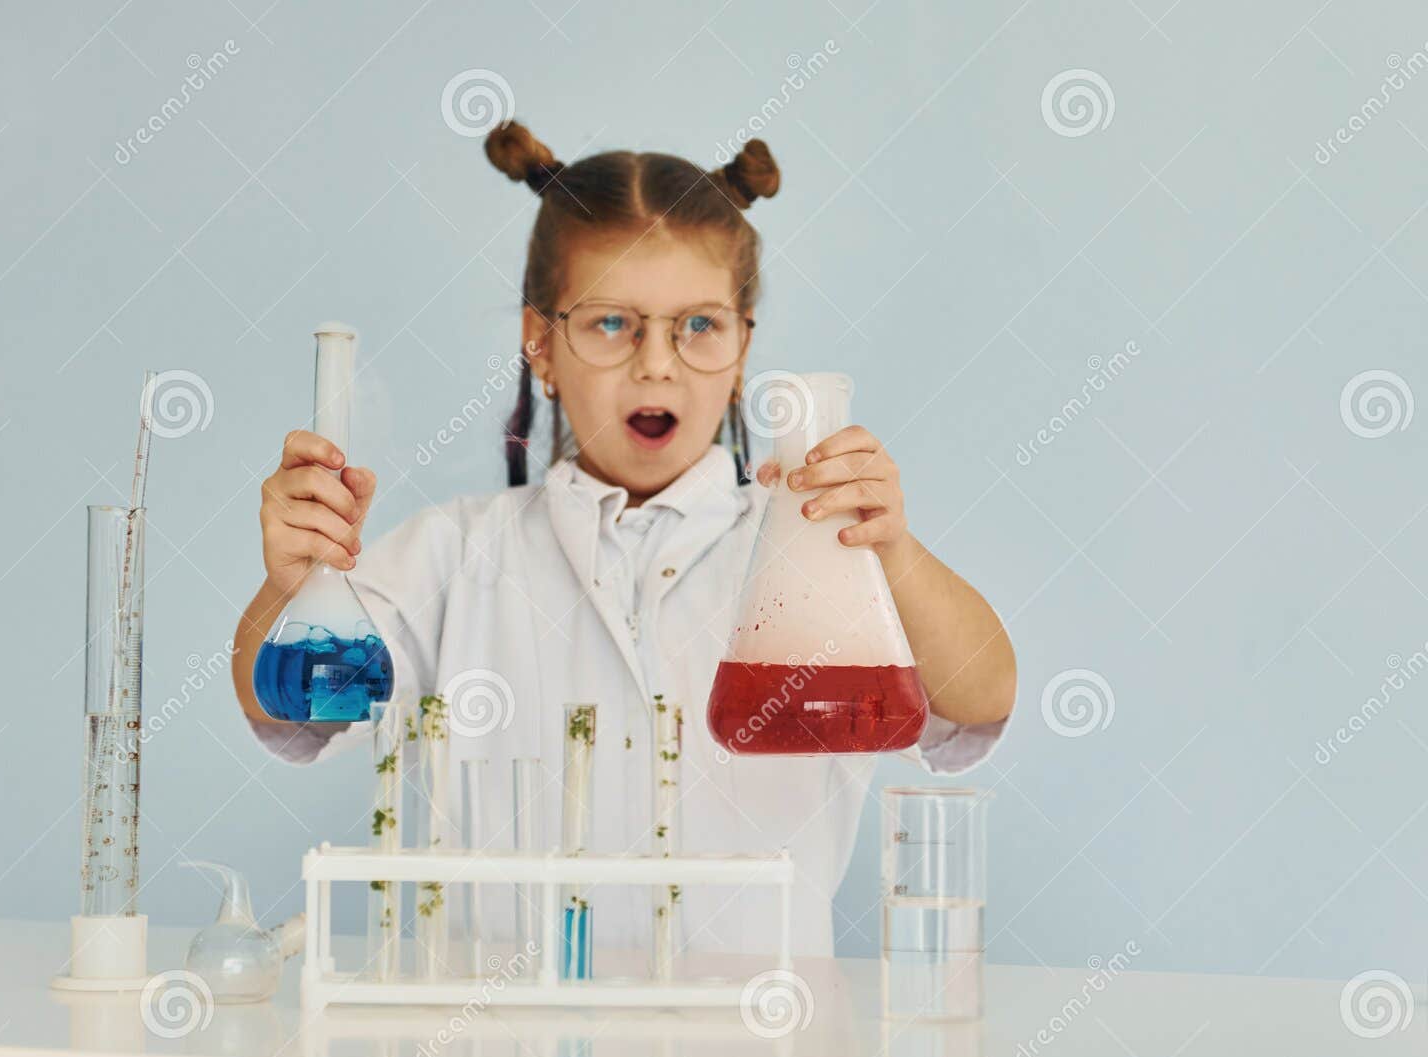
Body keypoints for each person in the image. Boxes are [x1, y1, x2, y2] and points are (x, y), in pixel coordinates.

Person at [231, 121, 1016, 958]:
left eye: (700, 326)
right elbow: (287, 706)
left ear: (744, 346)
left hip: (756, 1053)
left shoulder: (822, 559)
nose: (657, 363)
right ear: (541, 344)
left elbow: (980, 701)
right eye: (611, 323)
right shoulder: (453, 557)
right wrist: (293, 585)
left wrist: (890, 550)